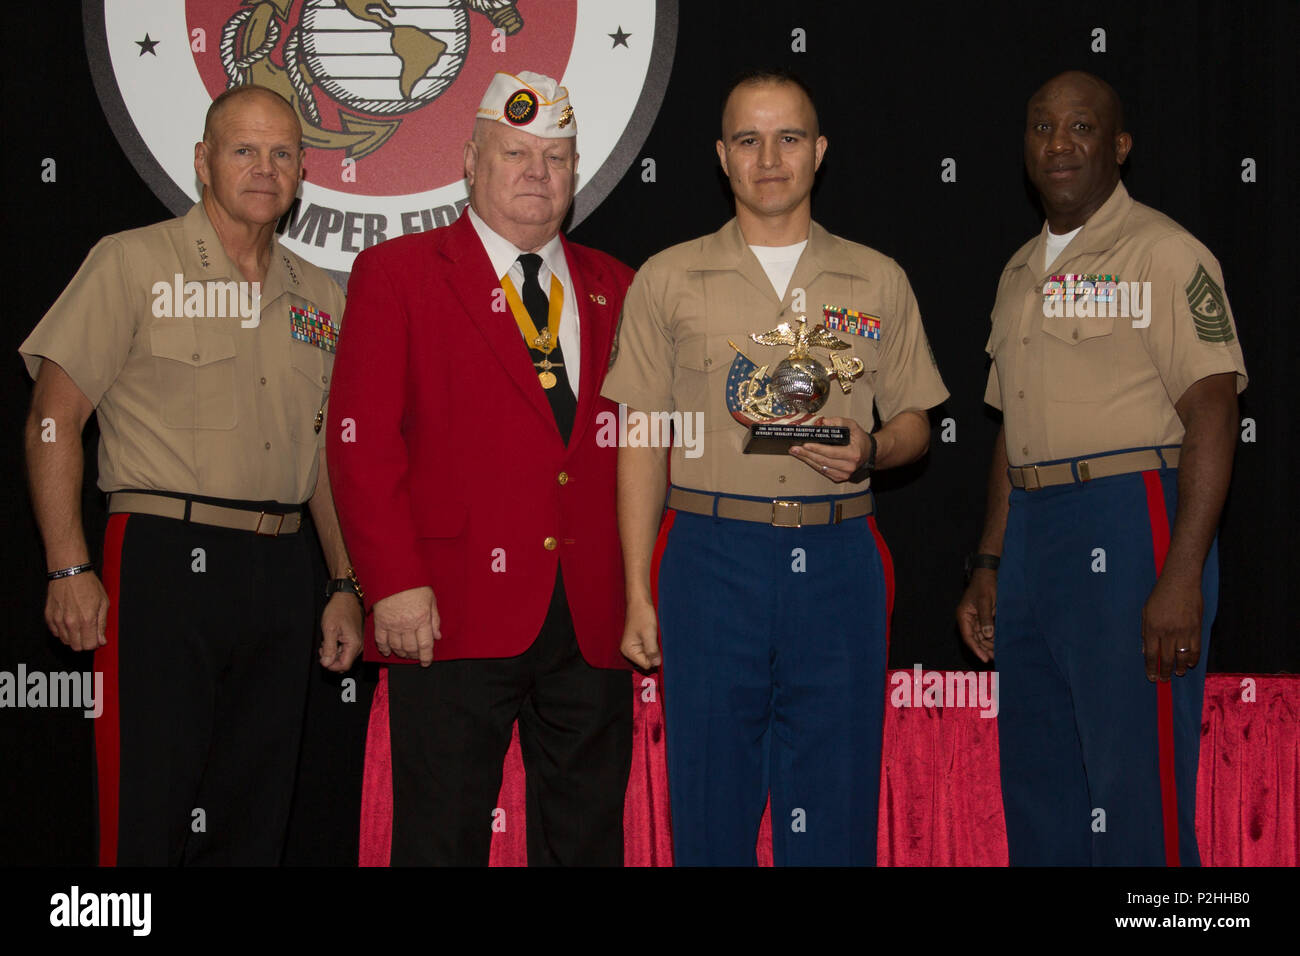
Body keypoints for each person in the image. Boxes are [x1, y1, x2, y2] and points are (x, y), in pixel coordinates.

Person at [603, 68, 949, 866]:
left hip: (838, 559)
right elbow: (640, 437)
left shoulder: (878, 277)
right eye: (749, 140)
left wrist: (874, 449)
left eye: (789, 138)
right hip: (708, 555)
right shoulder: (666, 278)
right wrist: (634, 589)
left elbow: (916, 425)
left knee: (838, 796)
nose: (770, 158)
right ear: (722, 157)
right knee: (708, 799)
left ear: (818, 152)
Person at [20, 85, 363, 866]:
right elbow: (52, 419)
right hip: (161, 559)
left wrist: (344, 583)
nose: (264, 169)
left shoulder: (321, 294)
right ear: (203, 162)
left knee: (255, 808)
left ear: (303, 172)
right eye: (244, 150)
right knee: (146, 802)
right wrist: (67, 564)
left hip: (281, 568)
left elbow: (324, 460)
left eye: (282, 153)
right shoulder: (133, 262)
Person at [326, 71, 635, 866]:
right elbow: (359, 441)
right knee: (439, 839)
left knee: (586, 839)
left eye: (557, 157)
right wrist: (389, 581)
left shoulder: (619, 287)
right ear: (469, 161)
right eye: (516, 152)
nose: (539, 172)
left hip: (589, 617)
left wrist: (642, 590)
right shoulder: (396, 274)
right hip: (448, 609)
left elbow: (643, 449)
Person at [955, 71, 1247, 866]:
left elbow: (1214, 410)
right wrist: (990, 560)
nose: (1059, 143)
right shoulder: (1020, 272)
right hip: (1033, 539)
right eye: (1042, 127)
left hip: (1130, 522)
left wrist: (1181, 572)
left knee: (1136, 796)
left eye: (1081, 127)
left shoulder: (1162, 252)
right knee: (1041, 792)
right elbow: (1012, 429)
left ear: (1118, 146)